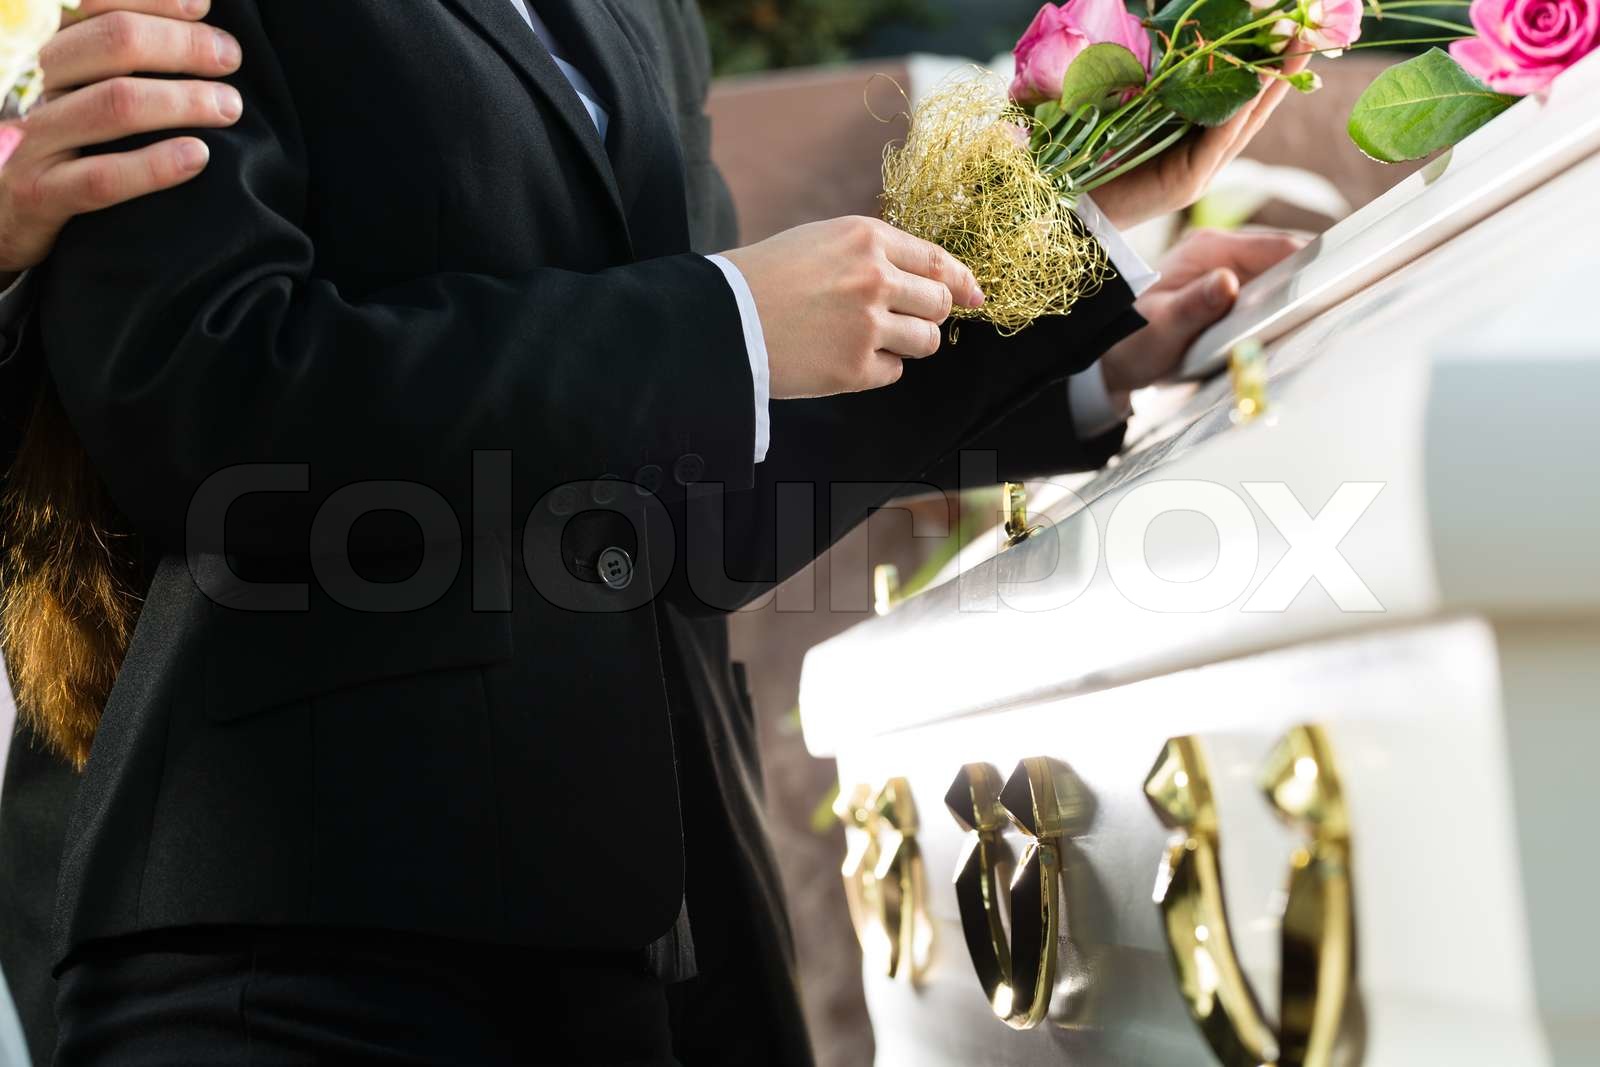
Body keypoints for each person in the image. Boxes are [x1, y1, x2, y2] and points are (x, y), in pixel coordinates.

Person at [0, 0, 1305, 1063]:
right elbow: (211, 415)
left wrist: (1085, 299)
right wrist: (722, 320)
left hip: (664, 947)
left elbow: (692, 516)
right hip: (306, 950)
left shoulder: (641, 18)